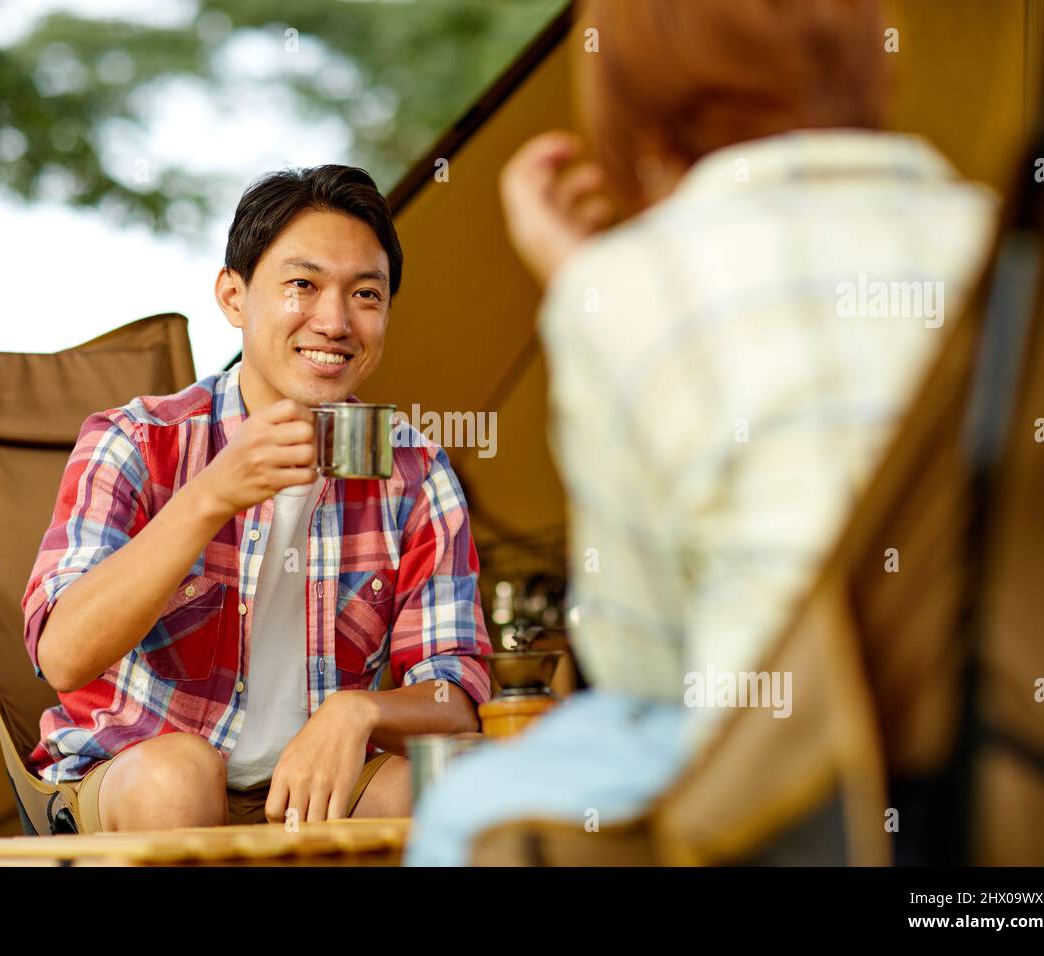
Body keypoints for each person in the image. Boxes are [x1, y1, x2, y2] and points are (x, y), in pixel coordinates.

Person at [406, 0, 997, 865]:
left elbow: (641, 657)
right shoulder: (1008, 240)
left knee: (470, 805)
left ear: (638, 91)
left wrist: (588, 289)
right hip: (1021, 759)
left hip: (788, 776)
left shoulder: (627, 282)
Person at [20, 165, 491, 832]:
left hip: (312, 789)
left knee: (448, 782)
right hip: (132, 771)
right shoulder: (135, 442)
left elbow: (458, 689)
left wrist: (358, 712)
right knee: (179, 776)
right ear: (234, 298)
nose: (333, 321)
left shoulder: (413, 469)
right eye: (302, 285)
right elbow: (62, 656)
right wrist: (209, 497)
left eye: (365, 295)